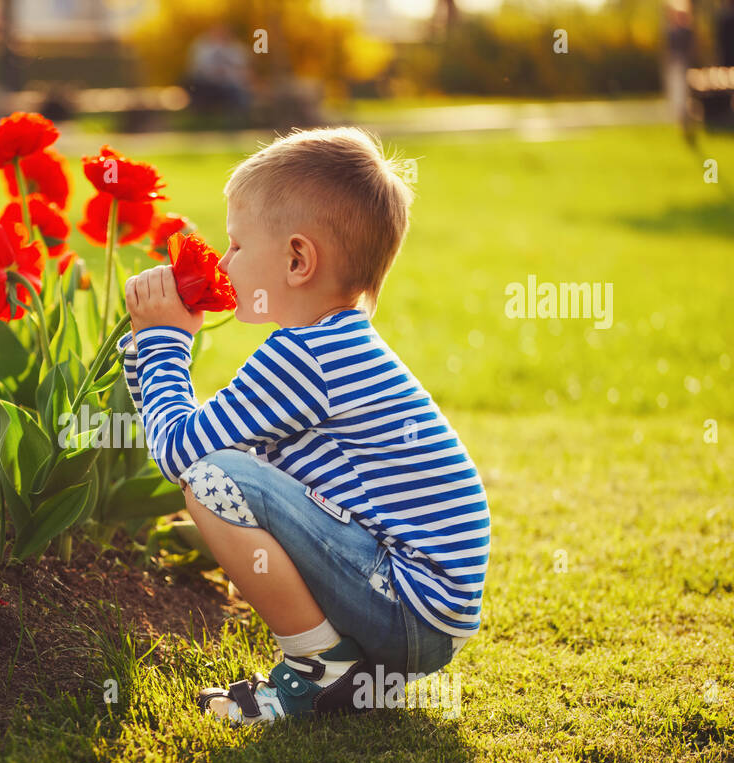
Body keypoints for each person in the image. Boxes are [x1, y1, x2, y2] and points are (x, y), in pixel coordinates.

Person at [118, 128, 489, 725]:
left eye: (237, 245)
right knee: (222, 467)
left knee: (213, 478)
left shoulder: (307, 356)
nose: (222, 260)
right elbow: (202, 429)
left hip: (408, 605)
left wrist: (163, 343)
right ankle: (344, 671)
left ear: (297, 259)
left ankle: (323, 672)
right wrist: (147, 347)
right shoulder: (330, 346)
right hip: (424, 608)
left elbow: (181, 453)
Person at [665, 0, 695, 140]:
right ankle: (682, 122)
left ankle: (687, 121)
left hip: (686, 67)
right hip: (676, 66)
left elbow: (691, 51)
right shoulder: (671, 31)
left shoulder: (688, 31)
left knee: (686, 96)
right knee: (678, 96)